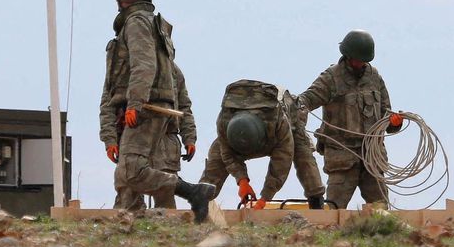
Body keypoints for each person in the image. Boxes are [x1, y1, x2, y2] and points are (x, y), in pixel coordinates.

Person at [98, 0, 215, 220]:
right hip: (139, 111)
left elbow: (145, 66)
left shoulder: (137, 22)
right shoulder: (143, 28)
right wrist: (109, 136)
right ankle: (133, 228)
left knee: (132, 172)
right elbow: (110, 93)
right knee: (126, 179)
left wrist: (136, 104)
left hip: (146, 112)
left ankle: (193, 193)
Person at [299, 31, 404, 209]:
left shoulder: (374, 77)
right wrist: (297, 122)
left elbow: (386, 115)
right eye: (356, 59)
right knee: (333, 212)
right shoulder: (331, 78)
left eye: (364, 60)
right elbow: (306, 100)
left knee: (381, 212)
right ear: (347, 56)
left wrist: (395, 123)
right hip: (343, 159)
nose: (360, 63)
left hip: (372, 158)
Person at [200, 79, 326, 208]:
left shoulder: (279, 125)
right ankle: (200, 202)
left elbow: (281, 165)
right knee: (216, 158)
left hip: (291, 120)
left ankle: (316, 202)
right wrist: (242, 181)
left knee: (303, 157)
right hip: (242, 129)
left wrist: (264, 199)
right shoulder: (225, 123)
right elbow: (227, 154)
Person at [149, 64, 200, 211]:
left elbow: (184, 108)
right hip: (135, 137)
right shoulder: (131, 65)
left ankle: (166, 232)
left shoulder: (173, 72)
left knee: (165, 192)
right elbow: (110, 105)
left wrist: (189, 138)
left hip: (167, 140)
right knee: (130, 193)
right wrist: (111, 139)